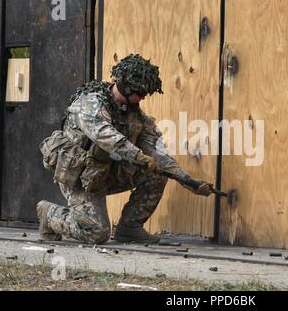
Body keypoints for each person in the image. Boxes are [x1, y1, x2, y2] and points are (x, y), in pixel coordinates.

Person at [37, 54, 213, 245]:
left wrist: (188, 181)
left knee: (157, 173)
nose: (144, 97)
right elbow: (106, 136)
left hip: (104, 173)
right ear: (128, 87)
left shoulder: (134, 113)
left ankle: (130, 228)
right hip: (79, 176)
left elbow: (156, 151)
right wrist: (139, 157)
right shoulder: (90, 103)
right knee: (97, 233)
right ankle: (49, 214)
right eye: (141, 92)